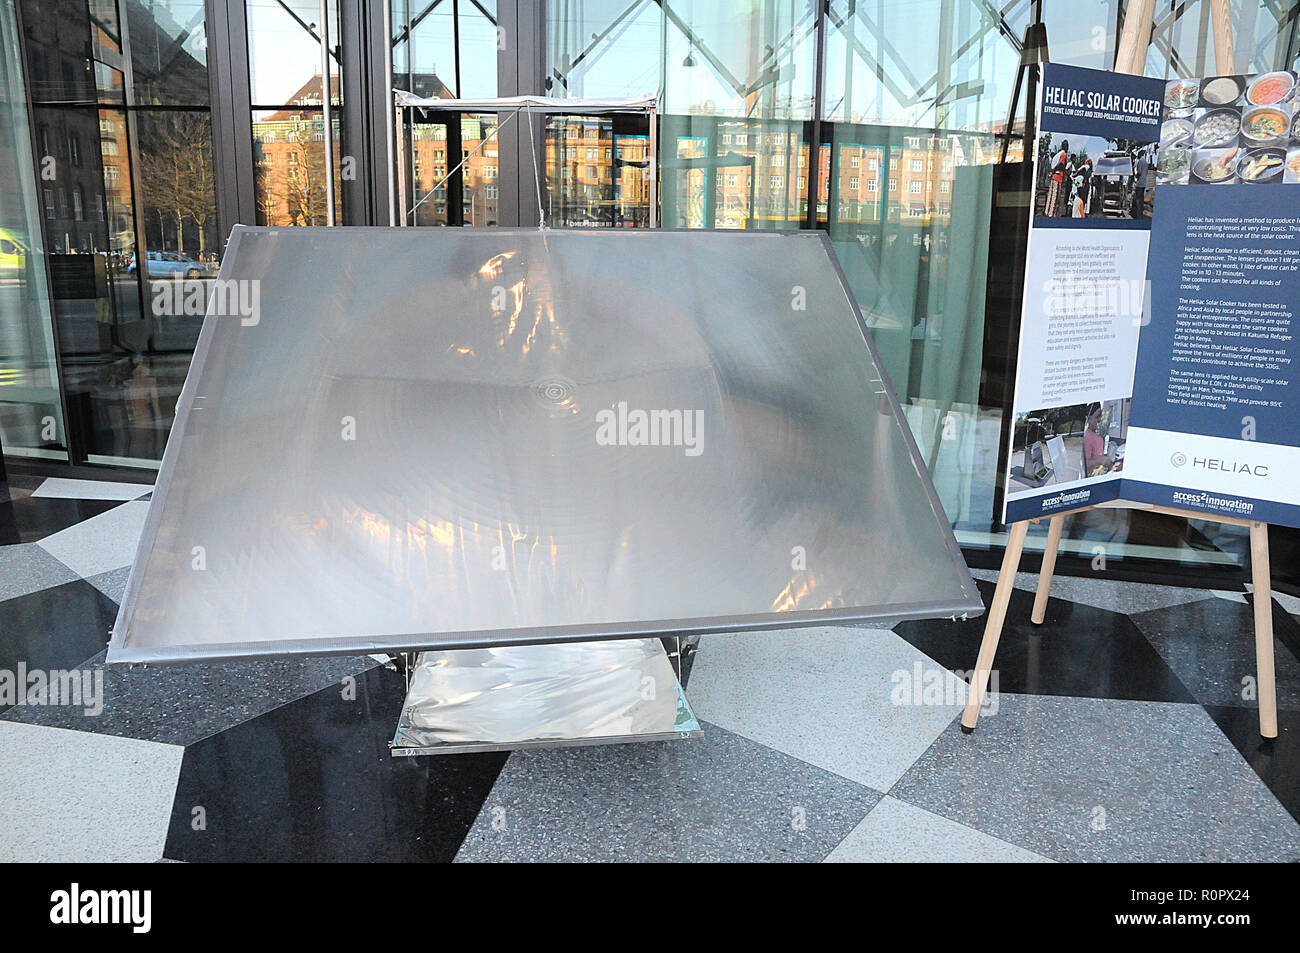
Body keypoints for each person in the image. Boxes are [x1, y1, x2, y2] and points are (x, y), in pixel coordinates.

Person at [1082, 403, 1113, 476]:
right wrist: (1100, 460)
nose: (1099, 420)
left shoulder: (1097, 436)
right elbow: (1084, 465)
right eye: (1097, 417)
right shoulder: (1087, 437)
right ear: (1089, 419)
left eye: (1101, 417)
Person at [1045, 139, 1070, 217]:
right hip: (1058, 178)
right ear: (1065, 147)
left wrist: (1053, 170)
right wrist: (1065, 171)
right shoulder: (1064, 154)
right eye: (1067, 146)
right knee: (1056, 197)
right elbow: (1060, 164)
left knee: (1051, 195)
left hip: (1054, 177)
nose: (1067, 147)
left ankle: (1048, 212)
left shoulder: (1058, 154)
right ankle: (1052, 214)